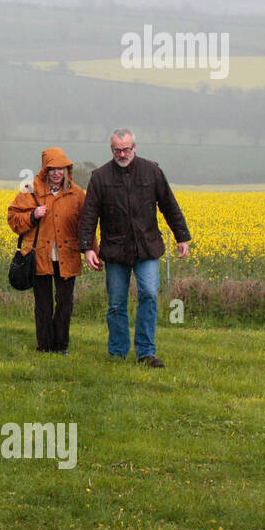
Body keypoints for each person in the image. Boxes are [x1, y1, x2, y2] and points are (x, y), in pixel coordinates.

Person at [78, 129, 192, 367]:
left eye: (126, 149)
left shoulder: (152, 172)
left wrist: (181, 236)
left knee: (149, 295)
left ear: (134, 148)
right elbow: (89, 214)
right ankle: (118, 352)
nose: (122, 154)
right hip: (115, 250)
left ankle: (146, 353)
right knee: (117, 303)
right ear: (112, 150)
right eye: (117, 150)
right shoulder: (100, 177)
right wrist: (88, 247)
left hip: (147, 247)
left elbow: (169, 205)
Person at [7, 147, 87, 354]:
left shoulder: (77, 194)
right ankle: (44, 346)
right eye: (52, 169)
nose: (57, 173)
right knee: (43, 303)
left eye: (61, 168)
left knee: (65, 303)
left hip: (67, 255)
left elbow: (86, 225)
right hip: (39, 256)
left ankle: (61, 346)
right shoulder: (30, 189)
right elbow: (13, 219)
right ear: (45, 170)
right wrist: (33, 215)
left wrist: (92, 251)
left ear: (67, 170)